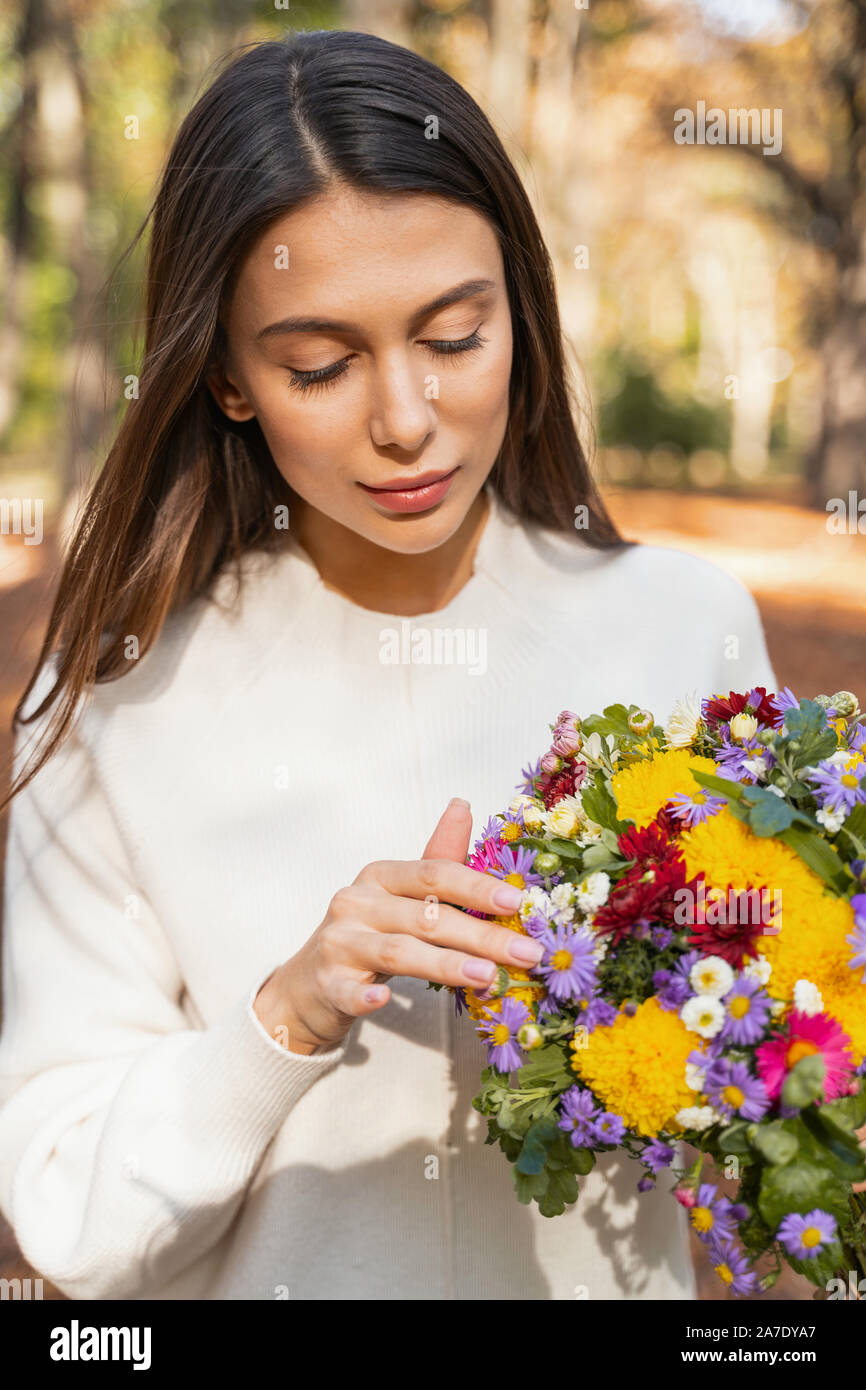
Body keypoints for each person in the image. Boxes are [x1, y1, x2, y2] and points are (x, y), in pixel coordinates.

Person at [0, 28, 777, 1300]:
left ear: (518, 310)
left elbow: (777, 1104)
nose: (405, 418)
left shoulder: (684, 629)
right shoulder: (117, 704)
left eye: (455, 336)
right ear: (230, 378)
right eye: (319, 363)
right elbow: (69, 1218)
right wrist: (286, 1015)